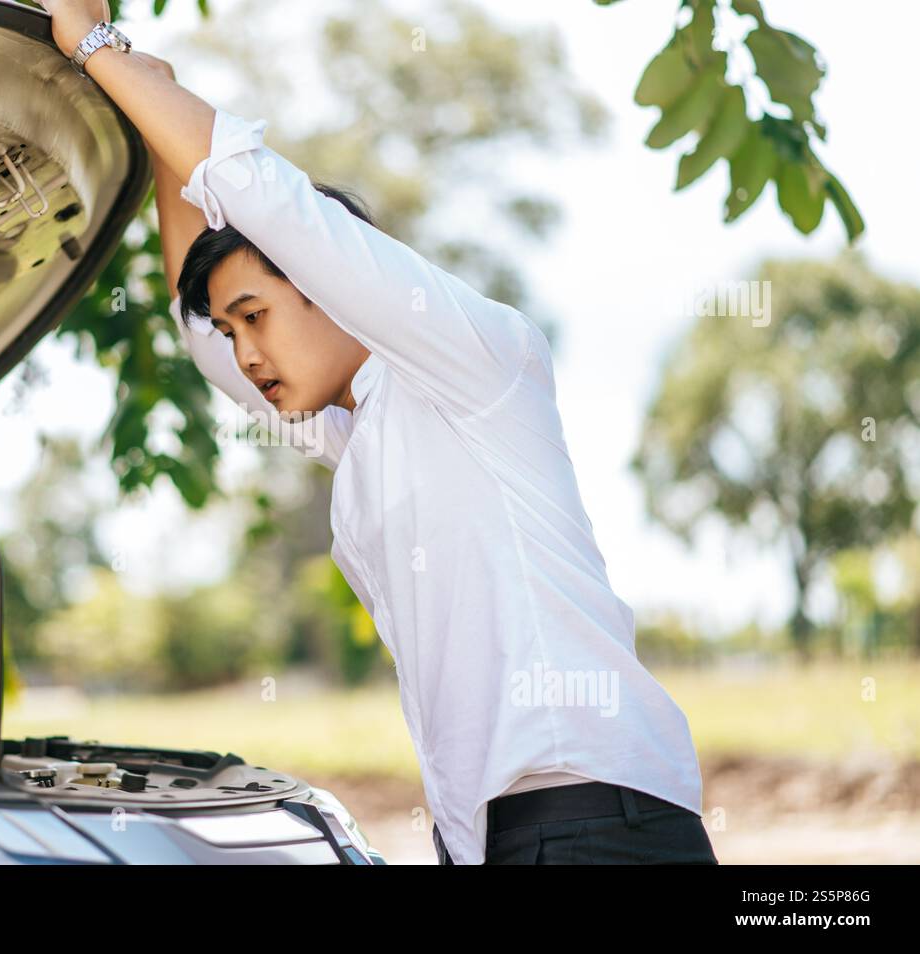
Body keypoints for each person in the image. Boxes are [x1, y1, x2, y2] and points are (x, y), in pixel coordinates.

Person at [39, 0, 718, 865]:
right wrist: (146, 105)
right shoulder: (358, 433)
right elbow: (199, 334)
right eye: (234, 328)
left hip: (593, 821)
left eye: (256, 316)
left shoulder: (475, 366)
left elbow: (268, 200)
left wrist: (94, 45)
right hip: (491, 836)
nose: (245, 352)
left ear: (334, 283)